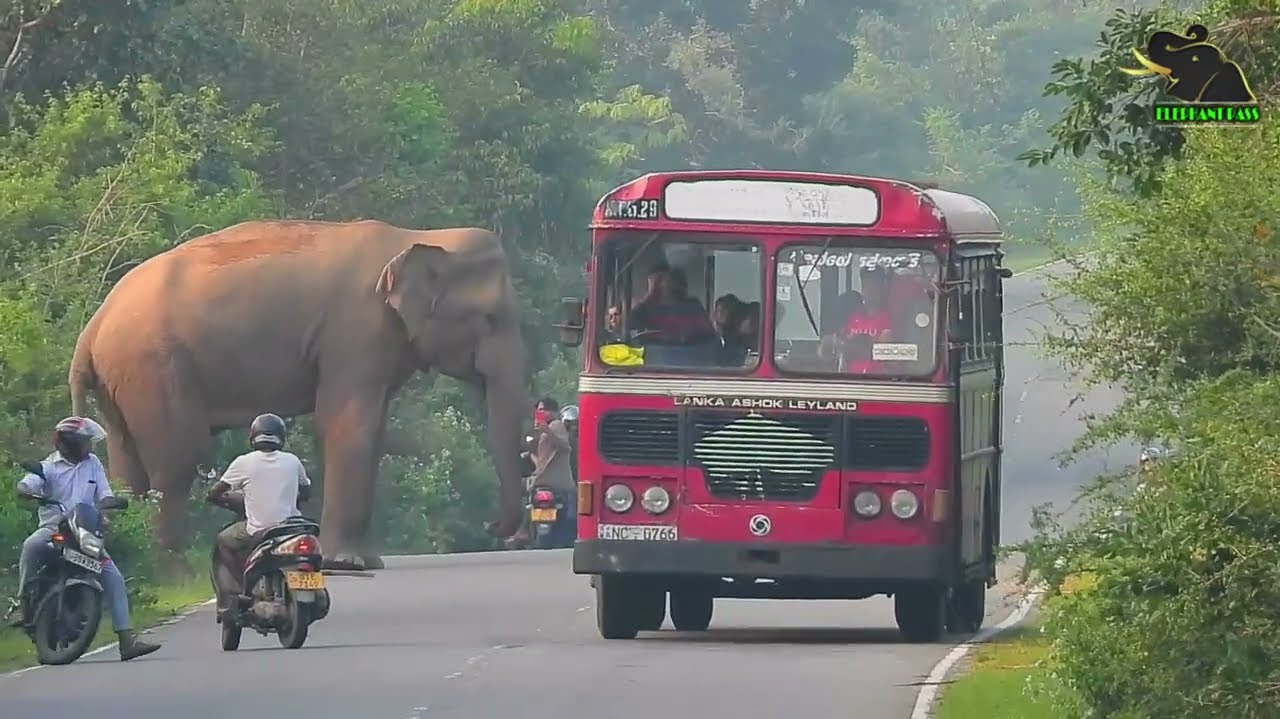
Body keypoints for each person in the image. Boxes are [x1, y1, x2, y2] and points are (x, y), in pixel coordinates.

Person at [12, 416, 161, 661]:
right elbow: (29, 483)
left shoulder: (93, 464)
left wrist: (107, 505)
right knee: (32, 545)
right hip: (55, 529)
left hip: (84, 533)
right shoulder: (49, 466)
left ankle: (127, 639)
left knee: (112, 576)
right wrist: (26, 490)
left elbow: (104, 494)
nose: (89, 446)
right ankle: (24, 603)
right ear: (69, 443)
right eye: (84, 442)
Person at [205, 413, 311, 620]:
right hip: (293, 528)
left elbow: (217, 491)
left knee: (223, 541)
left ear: (253, 436)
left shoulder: (243, 463)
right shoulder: (292, 460)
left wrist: (218, 498)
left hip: (258, 530)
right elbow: (306, 491)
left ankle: (242, 586)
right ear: (282, 436)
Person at [630, 263, 714, 344]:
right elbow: (630, 326)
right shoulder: (646, 309)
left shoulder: (692, 307)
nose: (663, 284)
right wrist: (650, 295)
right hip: (652, 355)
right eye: (658, 281)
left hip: (690, 355)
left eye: (665, 279)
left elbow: (709, 338)